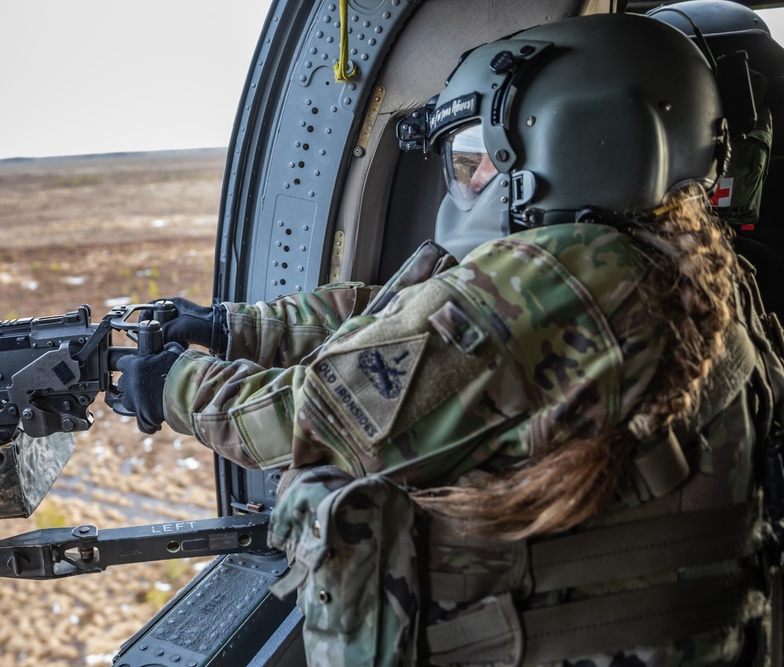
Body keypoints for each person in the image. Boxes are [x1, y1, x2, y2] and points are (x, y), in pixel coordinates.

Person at [117, 12, 779, 666]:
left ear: (572, 136)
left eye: (473, 162)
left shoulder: (564, 273)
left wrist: (170, 383)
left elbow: (309, 420)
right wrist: (231, 328)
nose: (462, 188)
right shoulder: (687, 262)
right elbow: (400, 317)